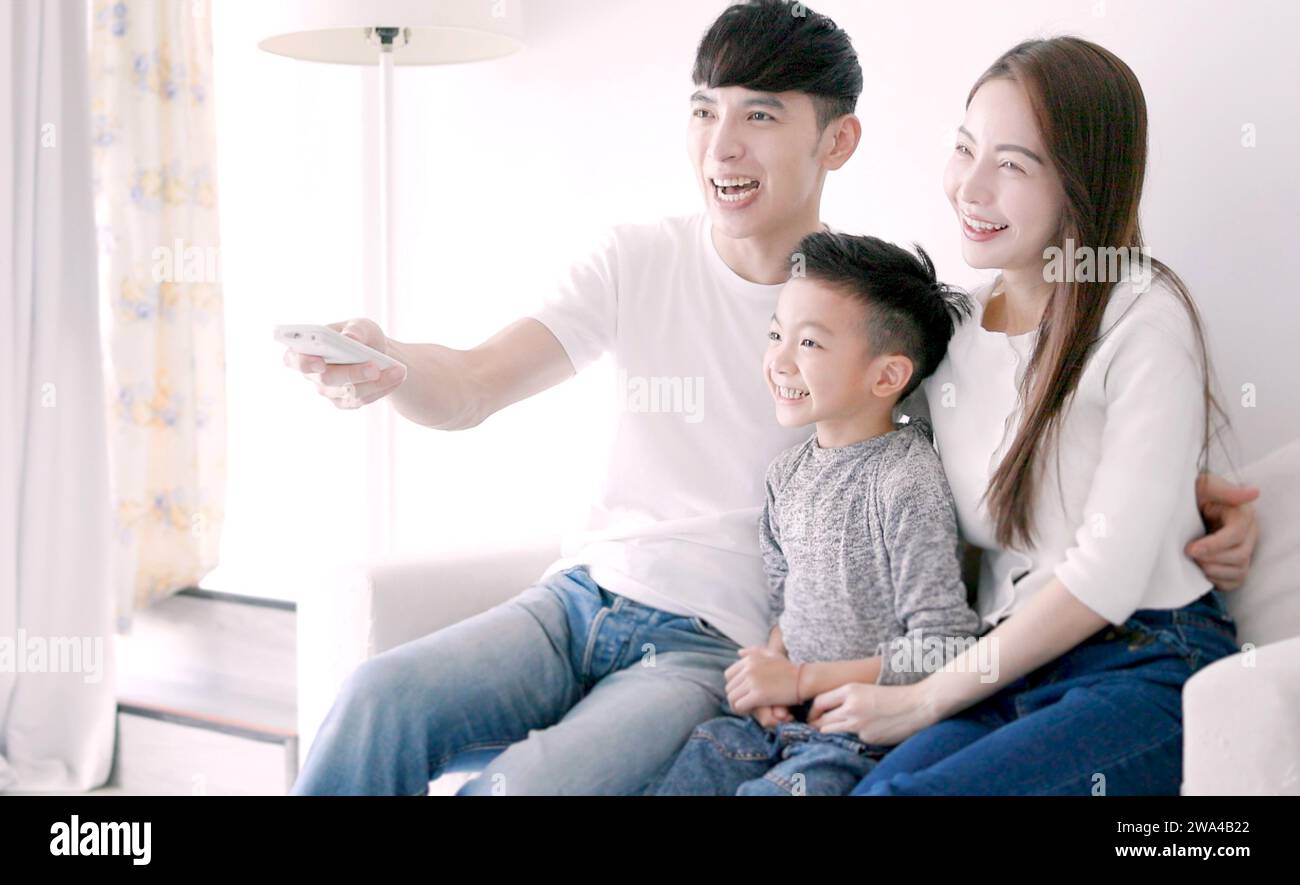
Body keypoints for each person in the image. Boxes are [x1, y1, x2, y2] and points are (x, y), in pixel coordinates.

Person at [284, 3, 1258, 796]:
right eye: (704, 110)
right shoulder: (656, 262)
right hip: (585, 596)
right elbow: (476, 381)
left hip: (728, 647)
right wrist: (396, 368)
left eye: (757, 113)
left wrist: (1178, 496)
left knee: (533, 788)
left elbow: (1056, 476)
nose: (722, 143)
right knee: (379, 695)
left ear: (837, 141)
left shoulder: (896, 320)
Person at [819, 36, 1250, 796]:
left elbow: (1106, 576)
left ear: (1080, 185)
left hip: (1145, 661)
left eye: (1013, 165)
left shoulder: (1141, 316)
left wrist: (921, 698)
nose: (971, 188)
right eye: (965, 148)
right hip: (1006, 666)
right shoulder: (948, 337)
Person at [651, 233, 982, 796]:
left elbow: (944, 645)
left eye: (808, 344)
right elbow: (788, 605)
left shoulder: (906, 480)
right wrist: (771, 675)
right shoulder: (786, 476)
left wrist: (803, 679)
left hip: (857, 737)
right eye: (777, 334)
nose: (778, 360)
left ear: (887, 377)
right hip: (780, 725)